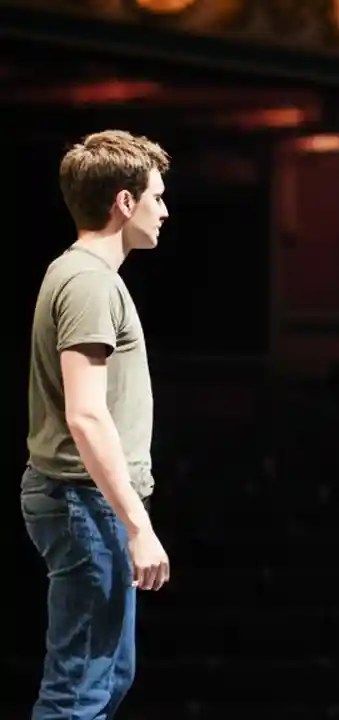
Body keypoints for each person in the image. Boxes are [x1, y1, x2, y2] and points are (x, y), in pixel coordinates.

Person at [20, 129, 173, 720]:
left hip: (89, 500)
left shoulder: (89, 277)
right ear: (125, 202)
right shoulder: (88, 281)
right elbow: (85, 414)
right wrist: (138, 526)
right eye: (157, 196)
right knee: (79, 688)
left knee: (105, 680)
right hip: (84, 500)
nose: (165, 209)